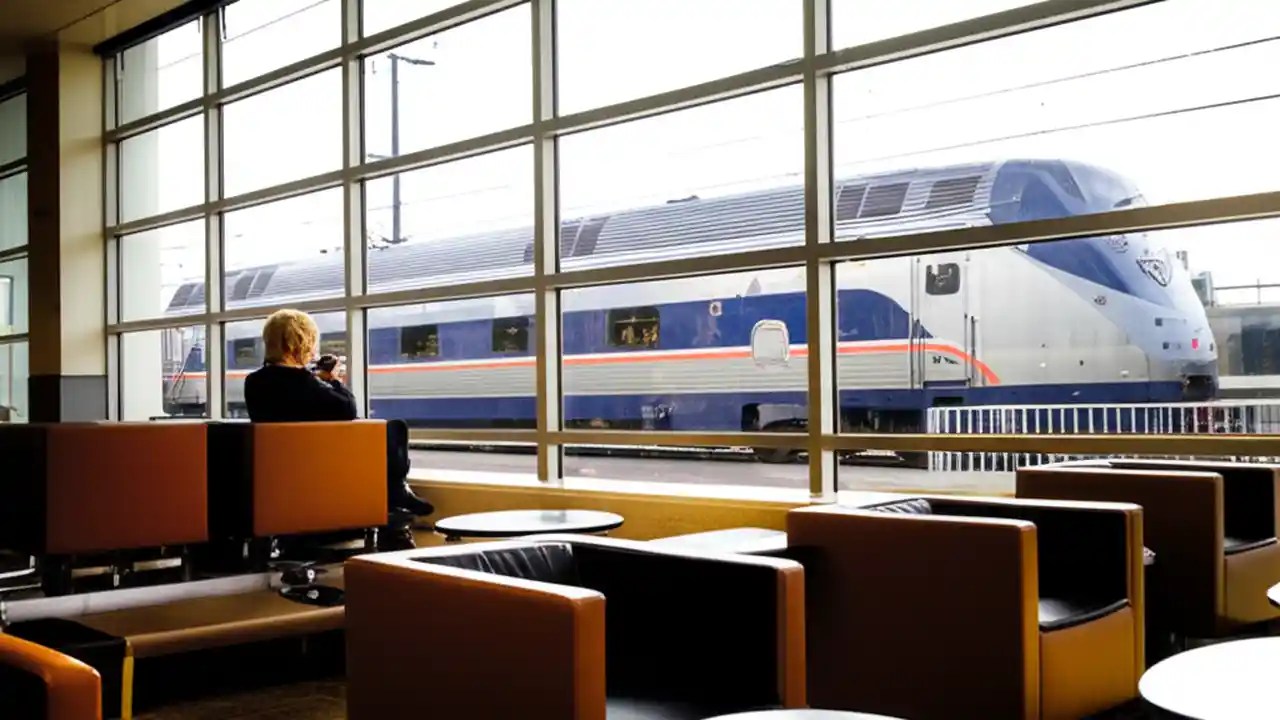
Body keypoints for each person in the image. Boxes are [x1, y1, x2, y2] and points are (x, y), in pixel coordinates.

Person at [244, 309, 432, 551]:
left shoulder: (255, 383)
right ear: (301, 343)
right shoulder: (309, 385)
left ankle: (397, 493)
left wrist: (316, 379)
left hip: (276, 480)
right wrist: (332, 380)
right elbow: (347, 408)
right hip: (321, 476)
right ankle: (396, 492)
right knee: (394, 428)